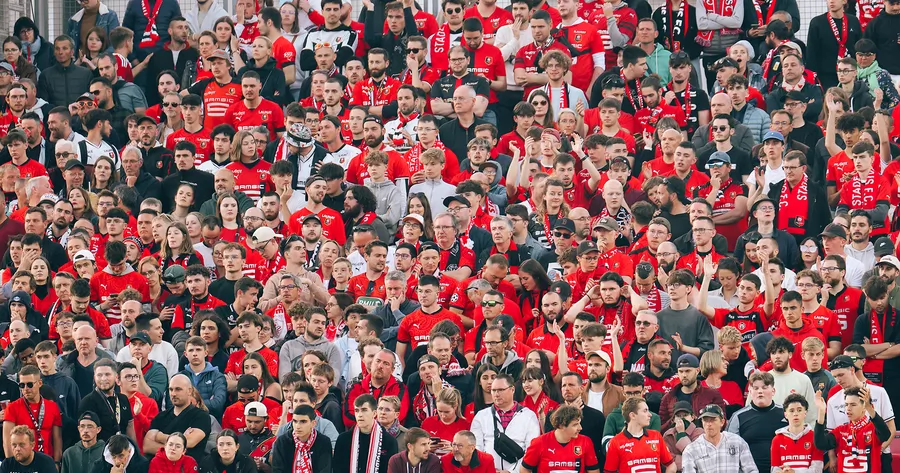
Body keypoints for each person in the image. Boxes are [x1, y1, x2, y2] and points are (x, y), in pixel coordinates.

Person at [470, 373, 540, 472]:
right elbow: (476, 448)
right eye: (493, 390)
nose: (496, 394)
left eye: (501, 390)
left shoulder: (529, 416)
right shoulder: (481, 416)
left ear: (512, 389)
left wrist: (512, 471)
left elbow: (531, 450)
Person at [143, 374, 212, 461]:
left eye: (178, 389)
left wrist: (160, 437)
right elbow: (147, 446)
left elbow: (190, 442)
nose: (173, 394)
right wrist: (179, 444)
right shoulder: (161, 417)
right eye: (171, 389)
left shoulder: (201, 416)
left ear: (189, 391)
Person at [2, 365, 62, 462]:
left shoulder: (52, 407)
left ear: (39, 383)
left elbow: (57, 440)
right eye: (22, 385)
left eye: (30, 384)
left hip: (46, 462)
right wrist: (12, 465)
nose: (25, 388)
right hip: (22, 464)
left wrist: (56, 463)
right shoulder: (12, 408)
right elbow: (7, 441)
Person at [605, 397, 675, 473]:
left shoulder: (656, 436)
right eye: (645, 411)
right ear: (633, 415)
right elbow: (609, 471)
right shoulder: (616, 442)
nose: (650, 415)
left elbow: (671, 465)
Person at [681, 404, 757, 473]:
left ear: (722, 422)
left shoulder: (737, 442)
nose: (709, 424)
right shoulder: (691, 450)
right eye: (705, 420)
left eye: (713, 420)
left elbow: (751, 470)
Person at [334, 394, 399, 473]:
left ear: (374, 413)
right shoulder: (343, 439)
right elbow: (338, 469)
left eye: (364, 410)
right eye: (357, 410)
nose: (360, 415)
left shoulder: (389, 441)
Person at [77, 358, 136, 443]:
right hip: (100, 452)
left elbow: (130, 427)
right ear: (94, 377)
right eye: (99, 375)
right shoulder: (87, 402)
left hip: (123, 450)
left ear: (116, 377)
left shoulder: (123, 399)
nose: (103, 379)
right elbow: (85, 434)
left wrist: (133, 449)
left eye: (107, 374)